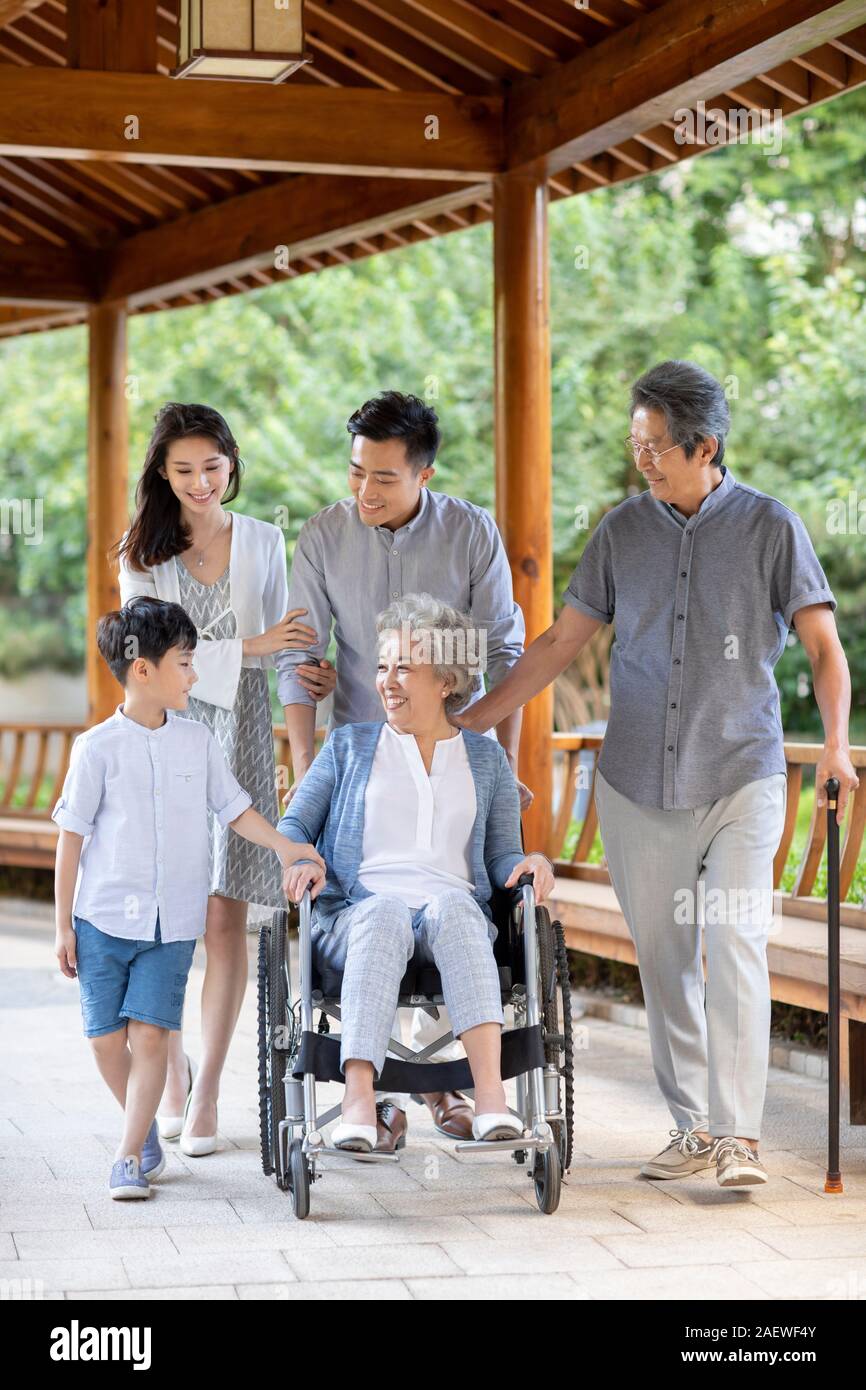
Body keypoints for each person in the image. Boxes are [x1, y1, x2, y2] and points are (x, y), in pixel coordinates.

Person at [456, 359, 859, 1187]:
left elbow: (824, 648)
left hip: (742, 775)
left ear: (704, 445)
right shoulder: (620, 533)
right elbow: (559, 644)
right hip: (637, 784)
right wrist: (467, 724)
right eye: (637, 445)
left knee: (737, 941)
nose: (642, 460)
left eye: (655, 448)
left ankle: (739, 1137)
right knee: (667, 961)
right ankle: (692, 1128)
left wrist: (836, 743)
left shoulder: (772, 528)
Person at [276, 390, 528, 1151]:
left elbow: (506, 654)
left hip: (452, 738)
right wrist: (307, 785)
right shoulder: (324, 534)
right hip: (360, 755)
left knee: (448, 896)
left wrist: (479, 755)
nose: (364, 492)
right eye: (356, 473)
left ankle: (454, 1082)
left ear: (424, 472)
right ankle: (378, 1094)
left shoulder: (469, 533)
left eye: (383, 478)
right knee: (383, 905)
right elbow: (298, 658)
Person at [52, 597, 321, 1198]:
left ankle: (127, 1157)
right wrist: (63, 925)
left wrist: (284, 847)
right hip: (101, 920)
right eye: (185, 662)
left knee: (150, 1034)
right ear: (141, 669)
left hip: (172, 922)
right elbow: (71, 840)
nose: (194, 675)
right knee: (104, 1039)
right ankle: (141, 1125)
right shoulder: (95, 748)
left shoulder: (198, 740)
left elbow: (236, 809)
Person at [115, 403, 329, 1156]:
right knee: (167, 914)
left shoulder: (266, 540)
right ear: (162, 474)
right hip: (162, 738)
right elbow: (147, 660)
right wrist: (258, 642)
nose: (202, 482)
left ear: (231, 464)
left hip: (236, 736)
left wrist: (302, 665)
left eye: (213, 466)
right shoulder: (141, 551)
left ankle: (207, 1094)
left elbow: (281, 649)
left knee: (222, 916)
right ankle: (170, 1074)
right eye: (183, 469)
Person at [278, 594, 554, 1151]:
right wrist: (303, 859)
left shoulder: (486, 758)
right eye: (383, 666)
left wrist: (530, 862)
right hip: (359, 915)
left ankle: (491, 1099)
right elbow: (291, 828)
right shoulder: (349, 748)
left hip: (453, 917)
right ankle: (360, 1102)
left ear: (446, 679)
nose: (387, 681)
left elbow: (501, 856)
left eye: (404, 666)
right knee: (382, 914)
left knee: (457, 908)